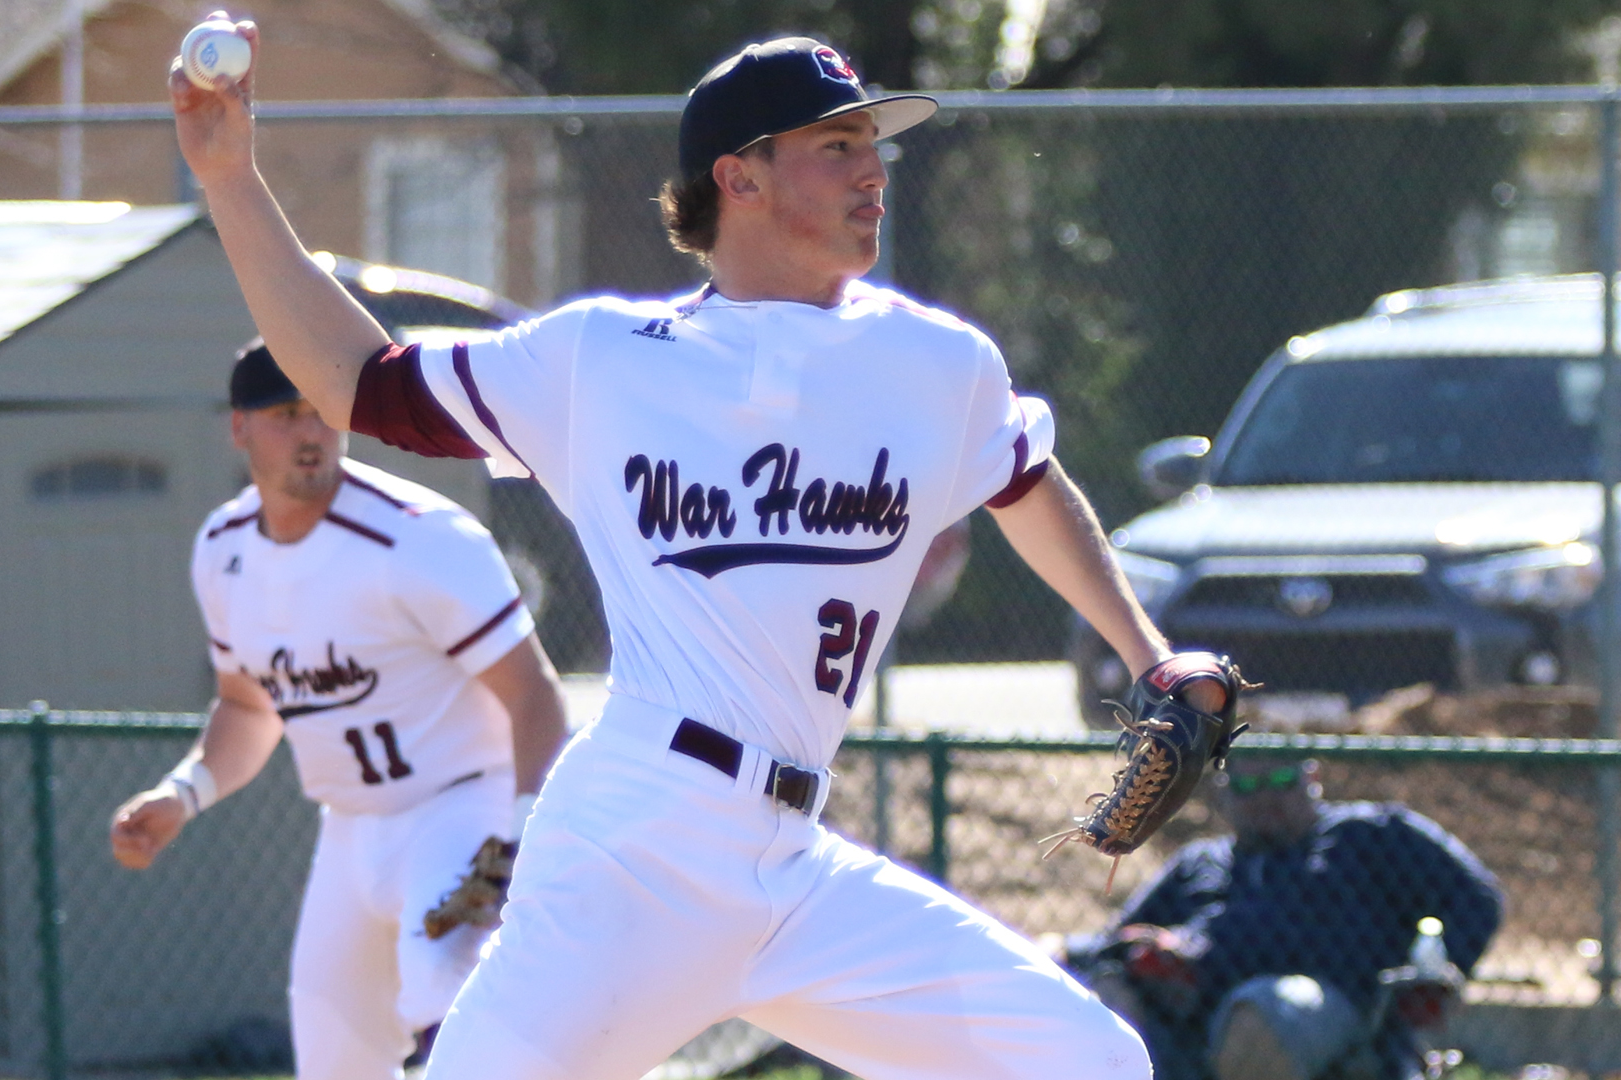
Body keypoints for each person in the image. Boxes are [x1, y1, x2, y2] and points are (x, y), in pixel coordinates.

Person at [169, 21, 1228, 1079]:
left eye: (874, 145)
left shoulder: (935, 361)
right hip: (638, 843)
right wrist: (230, 179)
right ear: (741, 176)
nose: (875, 171)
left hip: (795, 867)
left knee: (1089, 1064)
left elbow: (1027, 488)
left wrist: (1147, 655)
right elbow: (362, 383)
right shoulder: (600, 360)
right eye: (837, 146)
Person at [108, 342, 570, 1080]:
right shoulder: (224, 549)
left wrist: (520, 837)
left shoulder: (417, 536)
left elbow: (535, 696)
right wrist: (184, 793)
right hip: (349, 830)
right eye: (286, 416)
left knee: (453, 1014)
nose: (311, 433)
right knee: (332, 1061)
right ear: (240, 429)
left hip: (458, 812)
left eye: (323, 412)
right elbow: (246, 707)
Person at [1071, 757, 1503, 1080]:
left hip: (1324, 998)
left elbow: (1478, 897)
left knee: (1259, 1013)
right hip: (1192, 1006)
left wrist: (1442, 971)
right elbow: (1117, 938)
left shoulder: (1370, 835)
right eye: (1246, 784)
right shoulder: (1201, 861)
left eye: (1279, 780)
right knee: (1087, 987)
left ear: (1310, 778)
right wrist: (1151, 955)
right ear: (1223, 791)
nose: (1264, 798)